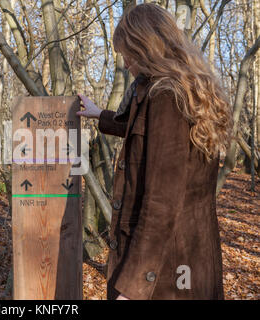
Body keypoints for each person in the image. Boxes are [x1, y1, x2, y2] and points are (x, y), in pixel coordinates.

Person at [77, 3, 232, 300]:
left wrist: (132, 289)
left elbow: (161, 202)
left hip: (167, 272)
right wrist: (100, 115)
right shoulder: (180, 89)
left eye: (128, 55)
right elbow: (150, 137)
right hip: (189, 256)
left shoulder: (166, 97)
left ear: (144, 48)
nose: (125, 64)